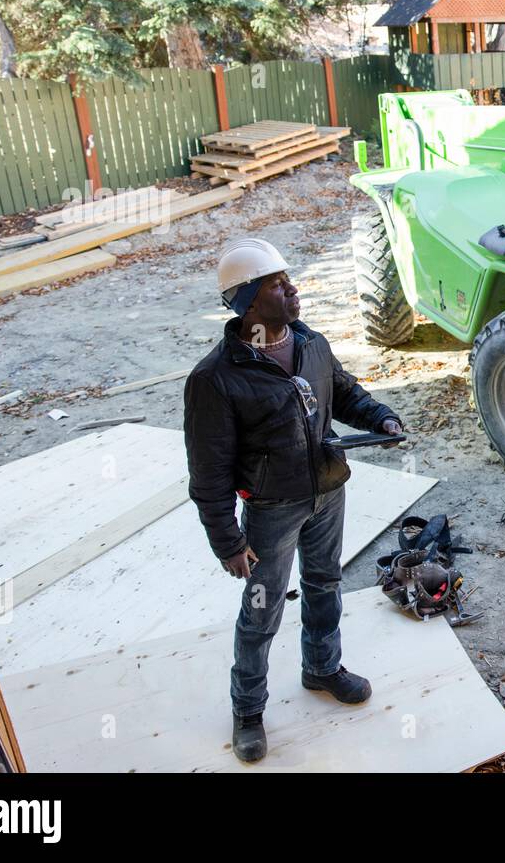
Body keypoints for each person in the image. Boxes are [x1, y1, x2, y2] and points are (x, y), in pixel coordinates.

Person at [184, 236, 403, 763]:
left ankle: (322, 668)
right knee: (261, 611)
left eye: (288, 279)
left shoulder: (310, 343)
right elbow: (207, 473)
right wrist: (227, 543)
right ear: (248, 302)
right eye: (278, 285)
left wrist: (380, 417)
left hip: (328, 491)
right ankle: (248, 711)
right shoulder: (215, 380)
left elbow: (344, 392)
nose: (292, 289)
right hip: (270, 507)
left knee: (325, 583)